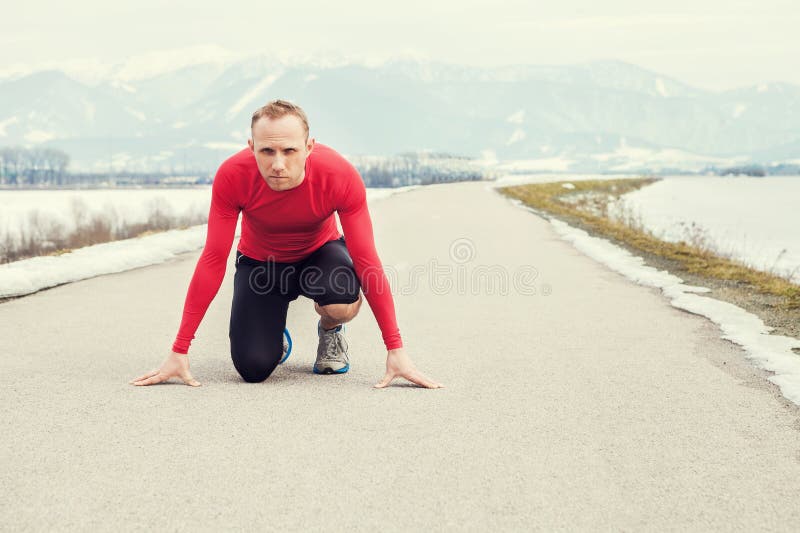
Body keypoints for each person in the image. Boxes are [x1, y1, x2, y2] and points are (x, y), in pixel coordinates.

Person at [130, 99, 443, 389]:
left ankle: (331, 329)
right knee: (252, 369)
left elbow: (367, 260)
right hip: (261, 266)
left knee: (341, 297)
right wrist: (179, 349)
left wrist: (395, 348)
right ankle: (271, 329)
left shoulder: (339, 176)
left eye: (289, 151)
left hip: (320, 256)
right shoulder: (232, 176)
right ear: (251, 147)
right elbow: (213, 258)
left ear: (309, 147)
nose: (278, 164)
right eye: (267, 151)